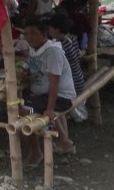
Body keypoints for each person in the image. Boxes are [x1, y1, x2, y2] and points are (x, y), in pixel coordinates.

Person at [22, 20, 77, 166]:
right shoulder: (34, 50)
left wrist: (50, 109)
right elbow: (37, 70)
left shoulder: (52, 52)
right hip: (45, 95)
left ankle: (36, 152)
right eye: (26, 33)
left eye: (33, 33)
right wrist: (29, 74)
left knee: (21, 111)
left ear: (44, 33)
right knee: (35, 105)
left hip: (61, 96)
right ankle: (63, 141)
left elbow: (54, 84)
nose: (29, 37)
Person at [48, 14, 87, 120]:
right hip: (79, 79)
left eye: (50, 28)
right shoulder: (71, 38)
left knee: (48, 88)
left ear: (57, 29)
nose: (48, 30)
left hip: (73, 86)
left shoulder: (60, 47)